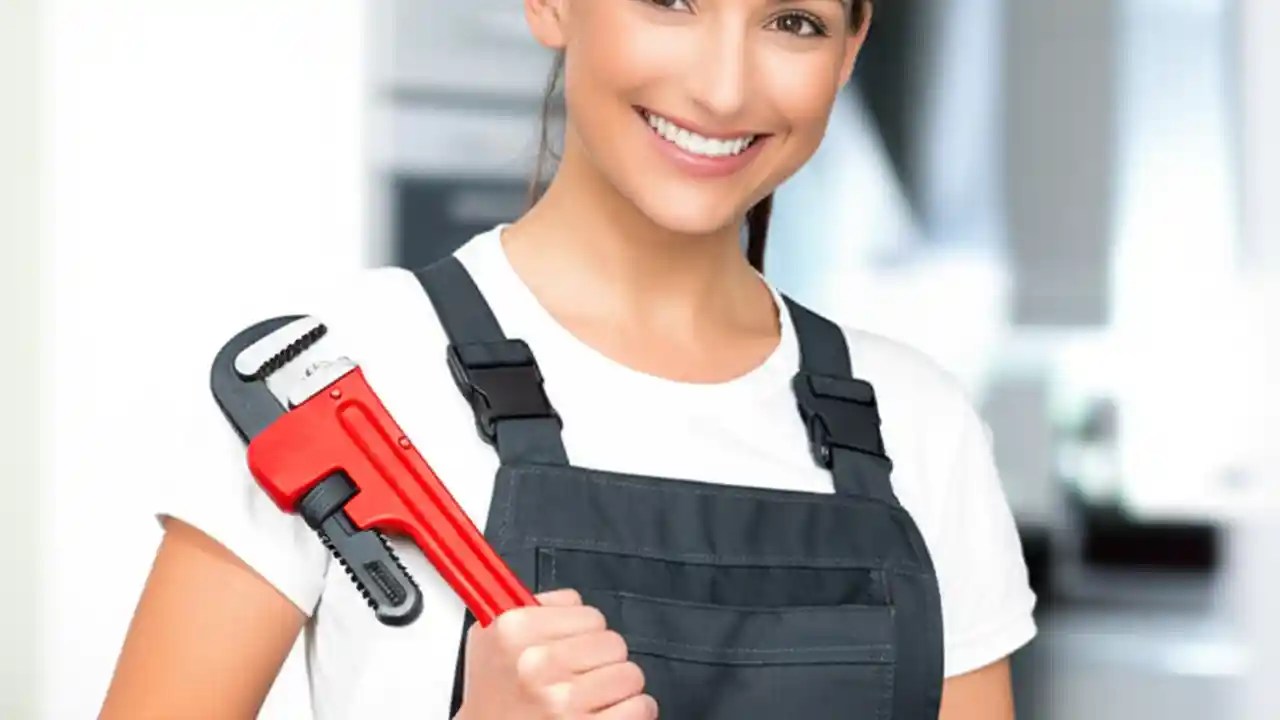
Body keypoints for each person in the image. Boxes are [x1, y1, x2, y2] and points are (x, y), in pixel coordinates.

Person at [101, 0, 1037, 718]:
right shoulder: (332, 378)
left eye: (792, 21)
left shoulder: (920, 421)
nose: (723, 86)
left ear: (849, 50)